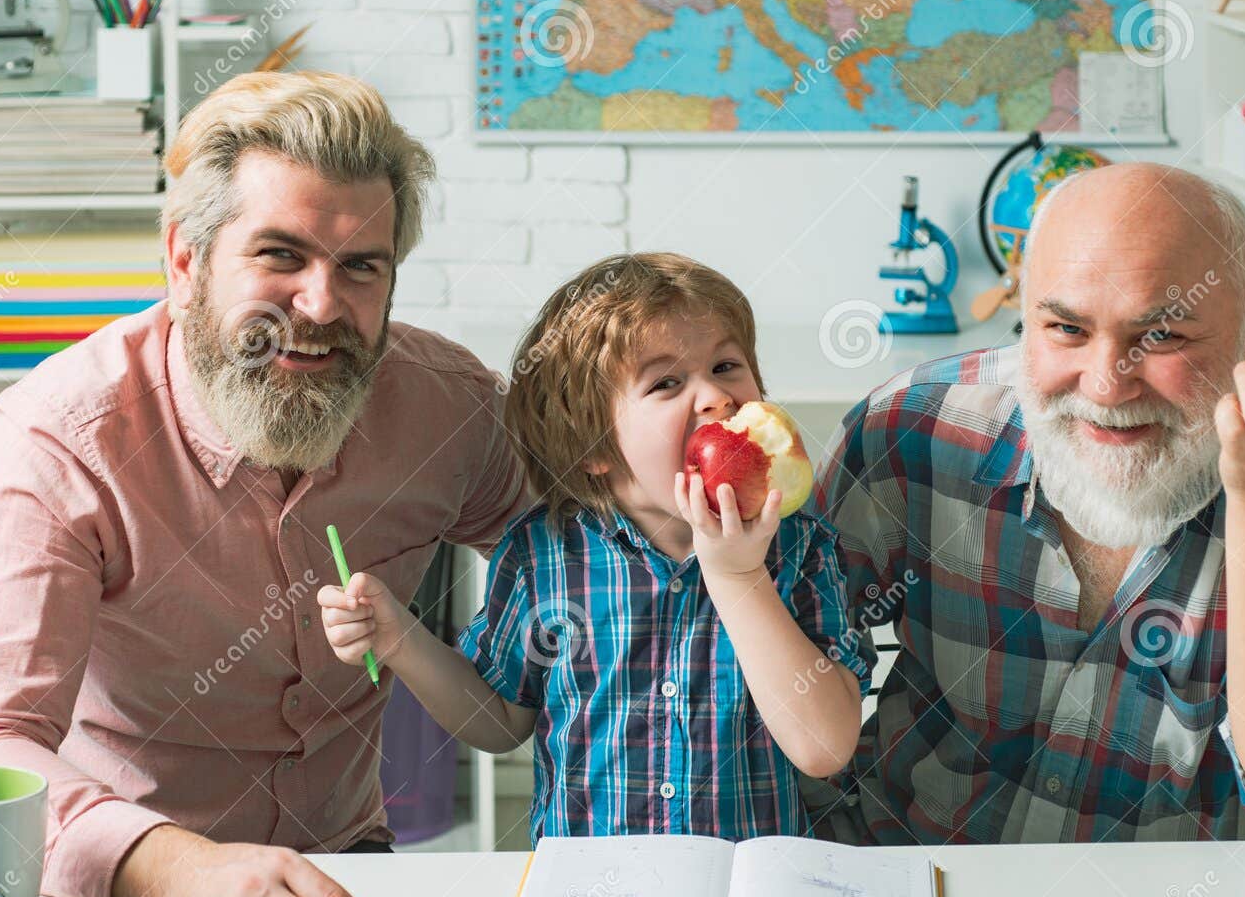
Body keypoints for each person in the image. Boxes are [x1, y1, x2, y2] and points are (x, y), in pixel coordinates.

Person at [0, 71, 531, 897]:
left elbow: (581, 561)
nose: (322, 307)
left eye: (362, 266)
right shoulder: (58, 437)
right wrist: (176, 871)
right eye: (281, 255)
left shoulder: (450, 409)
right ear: (184, 260)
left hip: (347, 870)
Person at [806, 163, 1245, 860]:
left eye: (1161, 337)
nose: (1105, 386)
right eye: (1065, 328)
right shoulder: (912, 427)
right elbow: (771, 707)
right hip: (911, 891)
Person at [320, 253, 873, 841]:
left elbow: (825, 748)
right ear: (594, 447)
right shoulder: (544, 556)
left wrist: (740, 580)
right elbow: (501, 720)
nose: (715, 396)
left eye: (726, 365)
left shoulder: (801, 548)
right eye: (666, 382)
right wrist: (401, 640)